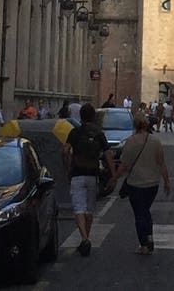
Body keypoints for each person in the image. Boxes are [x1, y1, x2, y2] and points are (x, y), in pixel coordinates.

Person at [111, 112, 171, 254]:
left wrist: (114, 178)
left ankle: (144, 244)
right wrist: (166, 181)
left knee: (139, 213)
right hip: (153, 184)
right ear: (146, 125)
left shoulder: (130, 141)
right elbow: (161, 163)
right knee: (145, 211)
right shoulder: (155, 141)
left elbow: (123, 165)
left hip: (135, 184)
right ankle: (149, 238)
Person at [63, 103, 115, 256]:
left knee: (78, 208)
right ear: (93, 116)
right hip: (93, 175)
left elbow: (65, 150)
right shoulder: (98, 133)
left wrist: (67, 168)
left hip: (77, 174)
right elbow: (108, 154)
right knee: (89, 209)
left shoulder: (75, 132)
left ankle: (84, 238)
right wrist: (113, 174)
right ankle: (86, 237)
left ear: (81, 116)